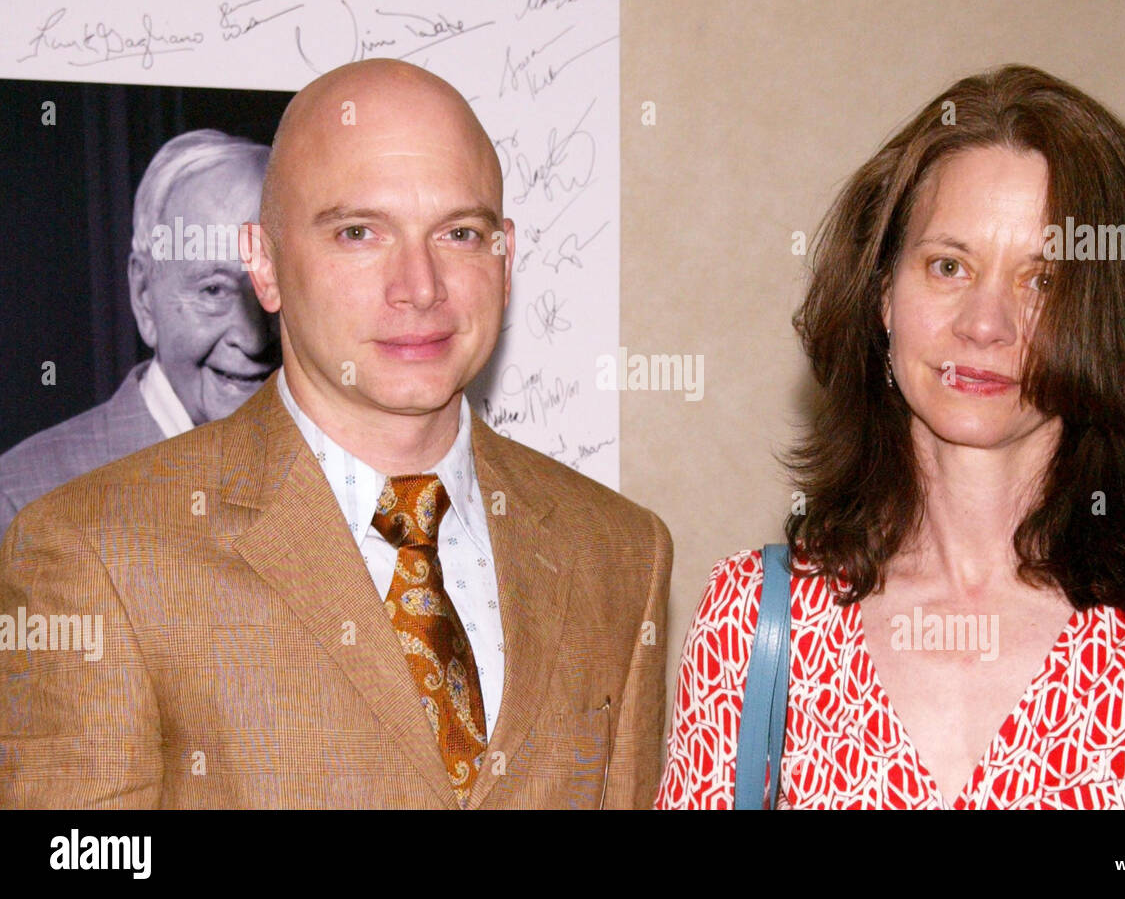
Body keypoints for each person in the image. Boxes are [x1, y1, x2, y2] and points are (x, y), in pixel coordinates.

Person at [0, 59, 671, 809]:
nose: (420, 287)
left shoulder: (620, 552)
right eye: (359, 233)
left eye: (459, 233)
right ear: (265, 263)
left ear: (505, 257)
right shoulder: (94, 552)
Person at [657, 64, 1125, 809]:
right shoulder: (754, 622)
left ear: (1109, 321)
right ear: (883, 294)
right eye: (949, 266)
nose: (985, 324)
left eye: (1043, 281)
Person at [0, 129, 278, 539]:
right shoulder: (21, 503)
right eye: (213, 290)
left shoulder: (348, 473)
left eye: (273, 284)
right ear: (144, 296)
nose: (252, 339)